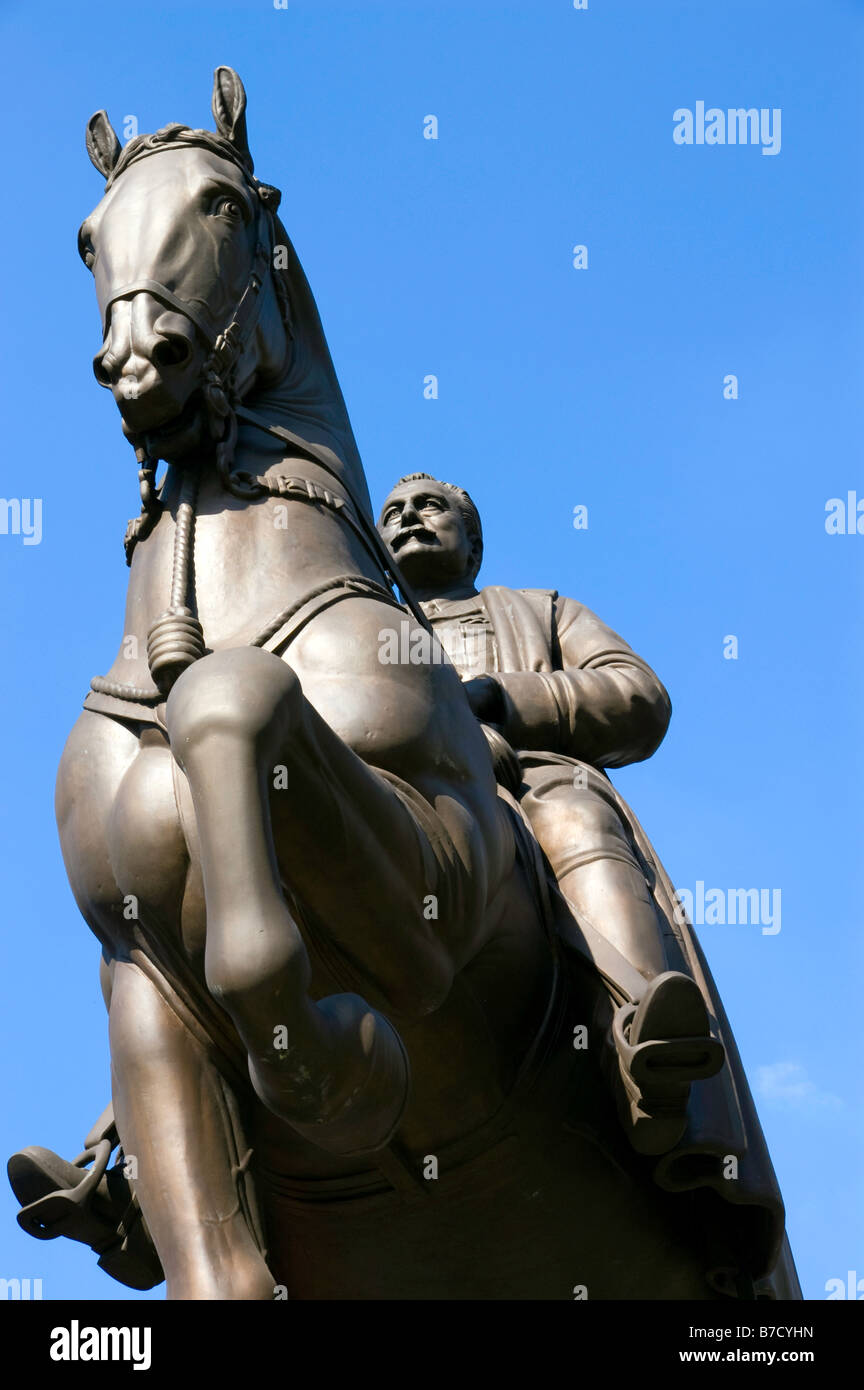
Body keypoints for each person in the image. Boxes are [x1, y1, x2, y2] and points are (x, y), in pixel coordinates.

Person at [378, 472, 724, 1155]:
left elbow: (638, 696)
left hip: (529, 785)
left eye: (430, 507)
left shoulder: (545, 610)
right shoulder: (349, 633)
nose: (409, 518)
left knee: (577, 822)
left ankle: (639, 1035)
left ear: (472, 543)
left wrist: (502, 698)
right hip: (395, 799)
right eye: (391, 513)